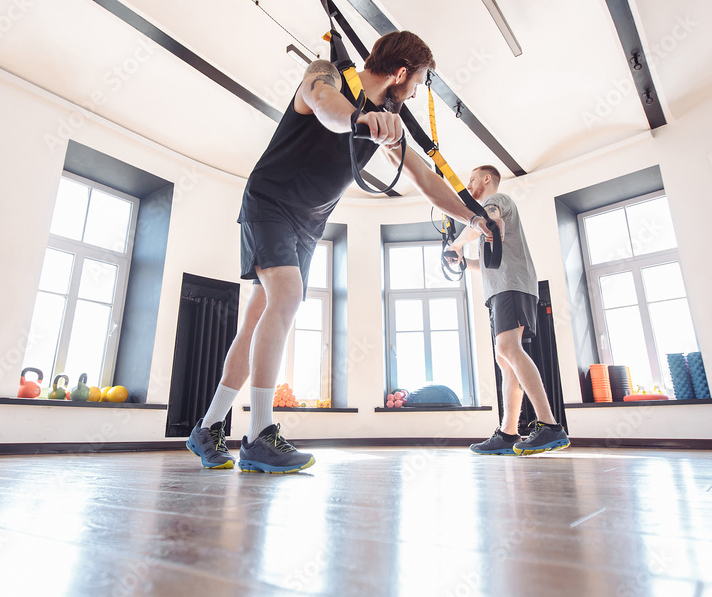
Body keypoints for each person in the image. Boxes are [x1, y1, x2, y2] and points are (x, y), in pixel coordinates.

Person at [187, 31, 493, 473]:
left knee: (258, 317)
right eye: (418, 81)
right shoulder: (328, 74)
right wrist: (360, 121)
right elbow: (326, 105)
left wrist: (471, 216)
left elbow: (424, 180)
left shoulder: (388, 119)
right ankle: (257, 437)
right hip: (270, 201)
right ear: (402, 73)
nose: (414, 91)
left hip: (308, 224)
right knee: (287, 297)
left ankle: (209, 425)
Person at [445, 166, 570, 456]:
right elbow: (487, 265)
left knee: (508, 348)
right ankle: (508, 432)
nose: (469, 184)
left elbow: (490, 218)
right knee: (505, 359)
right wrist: (463, 263)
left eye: (472, 180)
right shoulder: (484, 225)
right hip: (501, 290)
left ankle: (550, 426)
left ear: (487, 179)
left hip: (511, 287)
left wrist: (457, 243)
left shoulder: (498, 200)